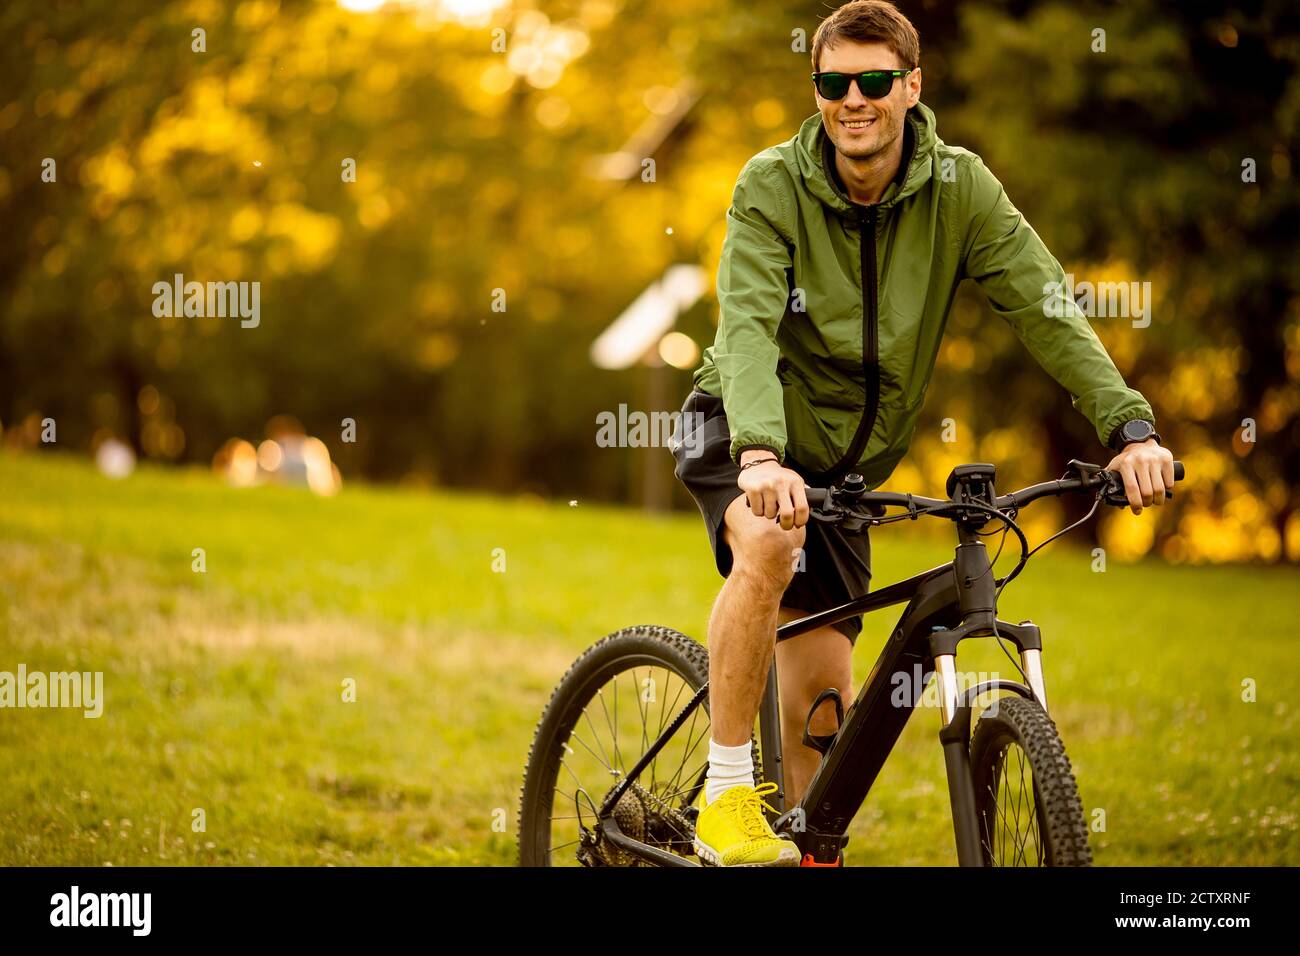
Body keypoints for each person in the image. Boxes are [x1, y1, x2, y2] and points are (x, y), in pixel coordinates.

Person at [671, 0, 1176, 867]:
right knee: (768, 545)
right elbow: (747, 326)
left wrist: (1128, 426)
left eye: (874, 81)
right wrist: (759, 452)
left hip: (849, 471)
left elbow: (1047, 307)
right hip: (745, 428)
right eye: (834, 82)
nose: (853, 100)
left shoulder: (959, 189)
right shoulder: (771, 185)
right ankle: (721, 793)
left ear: (912, 85)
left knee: (819, 725)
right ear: (818, 89)